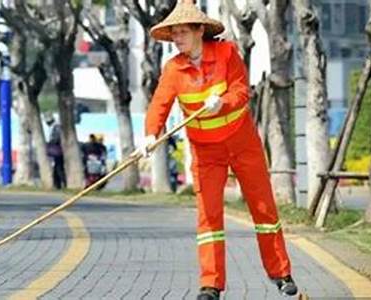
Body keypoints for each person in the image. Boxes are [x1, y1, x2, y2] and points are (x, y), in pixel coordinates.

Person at [136, 1, 298, 299]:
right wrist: (149, 135)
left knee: (263, 207)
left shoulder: (226, 53)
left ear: (200, 31)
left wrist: (222, 102)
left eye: (183, 32)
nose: (177, 38)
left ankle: (280, 272)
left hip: (242, 144)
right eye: (174, 33)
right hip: (205, 153)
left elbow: (241, 91)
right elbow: (159, 104)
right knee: (209, 217)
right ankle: (211, 284)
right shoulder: (173, 69)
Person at [45, 112, 66, 189]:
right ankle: (57, 184)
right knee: (56, 168)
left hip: (58, 150)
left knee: (59, 168)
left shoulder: (56, 127)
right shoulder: (52, 127)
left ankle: (63, 183)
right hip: (55, 150)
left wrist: (50, 143)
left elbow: (56, 139)